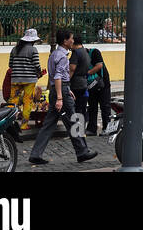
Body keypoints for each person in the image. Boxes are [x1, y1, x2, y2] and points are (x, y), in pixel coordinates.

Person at [28, 29, 97, 166]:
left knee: (49, 124)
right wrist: (61, 97)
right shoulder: (62, 57)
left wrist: (66, 90)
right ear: (65, 41)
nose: (73, 41)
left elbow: (56, 77)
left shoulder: (54, 54)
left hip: (58, 90)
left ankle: (35, 154)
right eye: (71, 38)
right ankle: (82, 151)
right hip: (61, 91)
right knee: (73, 121)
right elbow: (58, 76)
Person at [7, 27, 44, 123]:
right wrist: (39, 73)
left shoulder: (14, 49)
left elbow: (10, 65)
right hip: (29, 80)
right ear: (33, 40)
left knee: (13, 100)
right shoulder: (33, 50)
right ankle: (24, 124)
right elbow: (36, 65)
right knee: (27, 101)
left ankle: (9, 123)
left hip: (15, 79)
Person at [68, 32, 92, 130]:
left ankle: (77, 131)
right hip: (83, 82)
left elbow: (72, 69)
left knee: (76, 108)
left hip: (76, 84)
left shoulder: (76, 53)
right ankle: (81, 131)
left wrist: (66, 81)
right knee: (81, 108)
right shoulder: (85, 51)